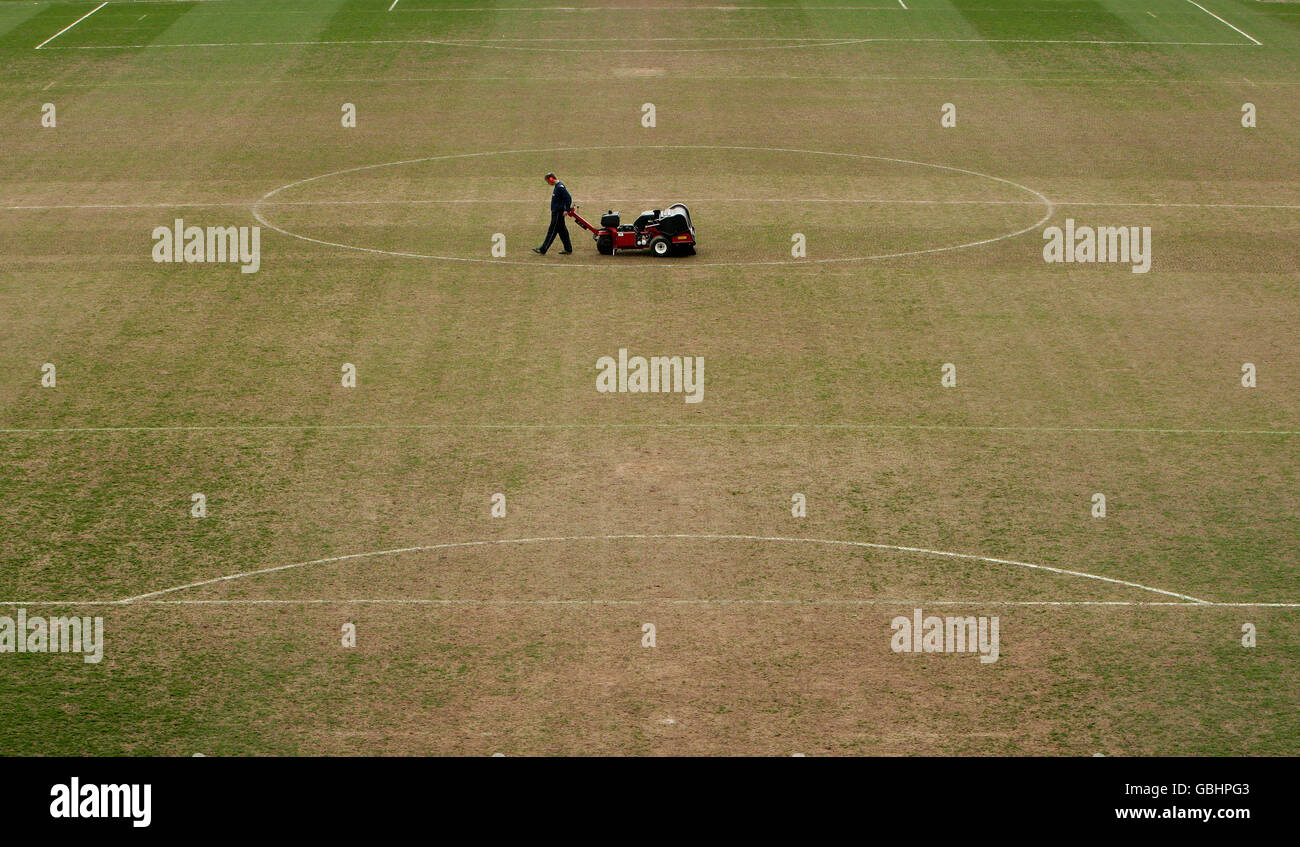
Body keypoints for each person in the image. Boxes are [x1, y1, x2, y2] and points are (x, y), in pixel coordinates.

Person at [532, 172, 573, 255]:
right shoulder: (558, 186)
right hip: (557, 213)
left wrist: (566, 209)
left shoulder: (560, 187)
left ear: (551, 179)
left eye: (548, 181)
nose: (548, 183)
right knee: (562, 231)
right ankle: (568, 249)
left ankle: (543, 249)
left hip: (558, 213)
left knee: (552, 231)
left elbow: (568, 198)